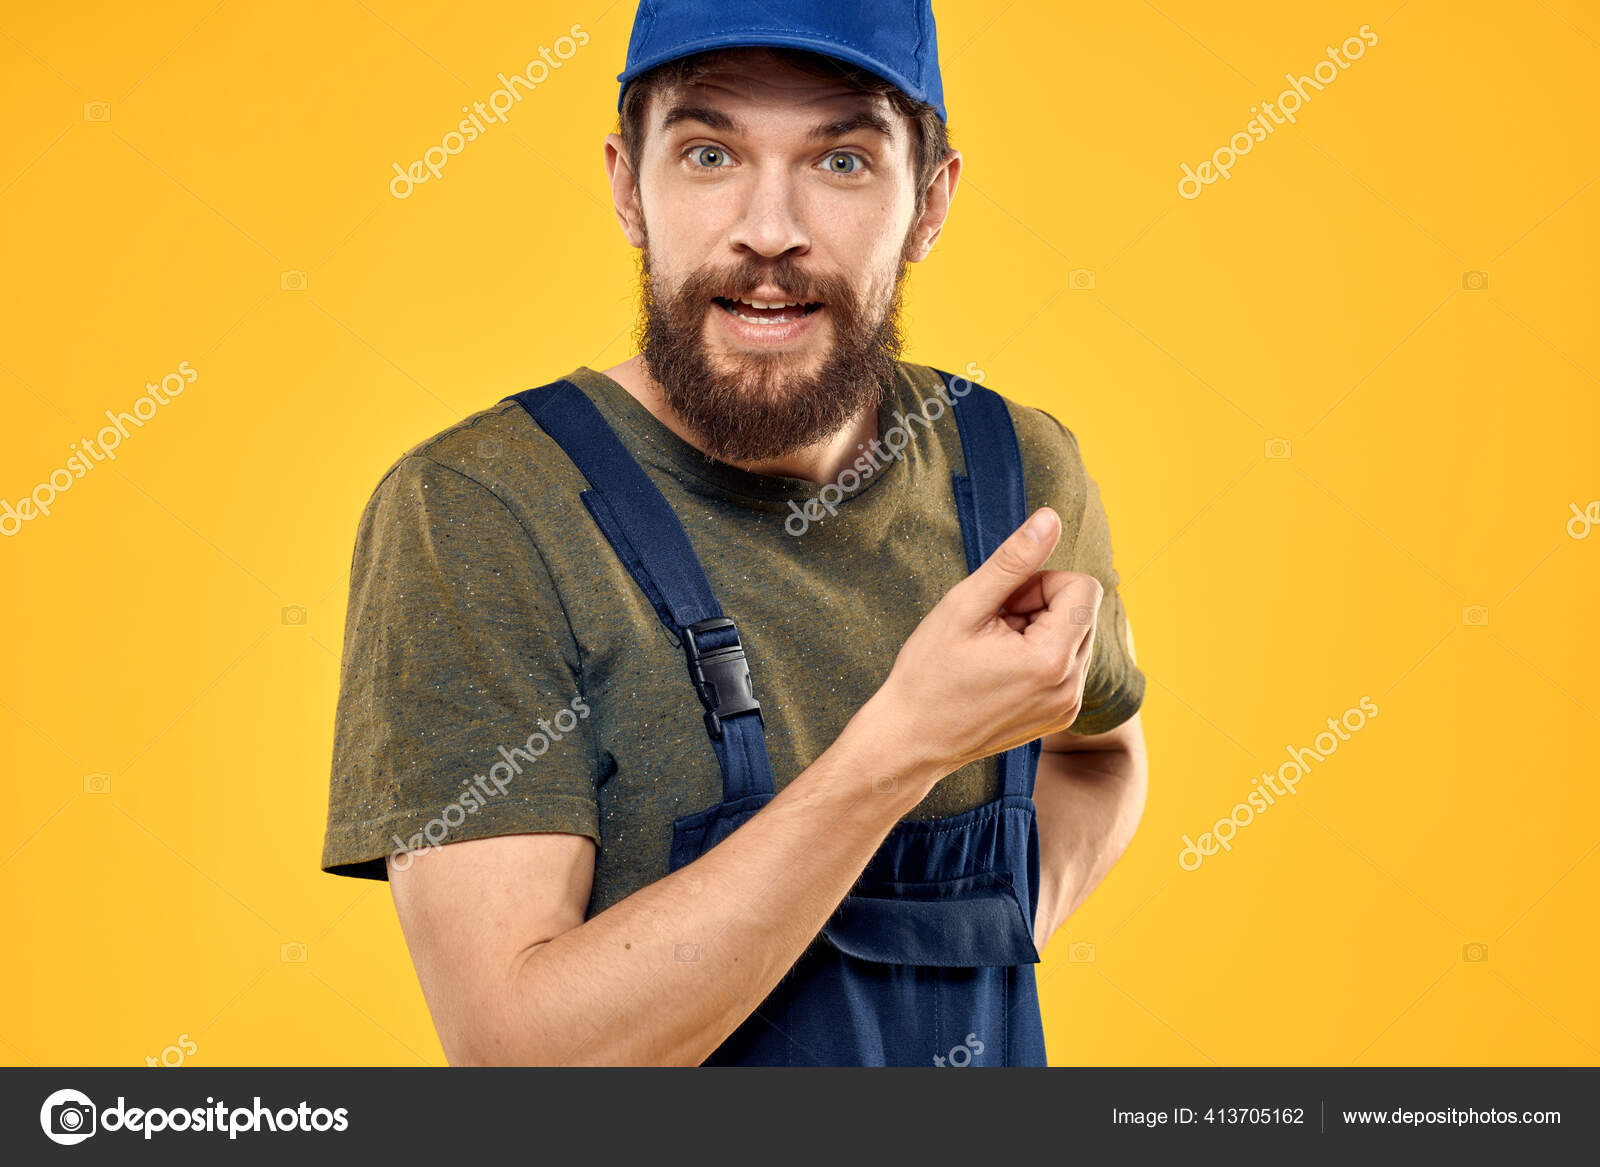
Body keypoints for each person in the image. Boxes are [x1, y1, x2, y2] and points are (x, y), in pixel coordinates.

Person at [321, 0, 1149, 1066]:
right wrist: (902, 747)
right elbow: (520, 1061)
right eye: (709, 153)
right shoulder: (483, 511)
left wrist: (954, 962)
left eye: (842, 161)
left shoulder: (1014, 475)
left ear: (930, 203)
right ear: (628, 187)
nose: (768, 229)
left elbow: (1101, 754)